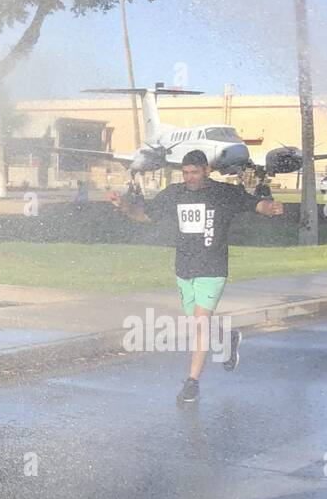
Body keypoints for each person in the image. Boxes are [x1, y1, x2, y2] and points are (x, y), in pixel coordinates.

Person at [110, 149, 284, 403]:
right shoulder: (174, 194)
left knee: (201, 324)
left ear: (206, 170)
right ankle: (227, 339)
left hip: (212, 268)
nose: (190, 177)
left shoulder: (222, 193)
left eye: (194, 172)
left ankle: (192, 383)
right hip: (184, 269)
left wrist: (269, 207)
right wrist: (124, 206)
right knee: (198, 323)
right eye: (186, 172)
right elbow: (145, 215)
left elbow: (252, 203)